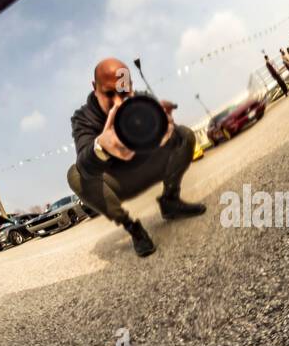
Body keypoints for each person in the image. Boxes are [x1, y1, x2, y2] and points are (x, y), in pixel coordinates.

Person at [66, 57, 206, 257]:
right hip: (120, 181)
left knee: (184, 134)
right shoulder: (83, 117)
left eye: (123, 92)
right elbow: (85, 164)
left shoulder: (141, 100)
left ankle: (170, 201)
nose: (117, 102)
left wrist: (166, 130)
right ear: (94, 88)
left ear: (130, 86)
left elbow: (170, 137)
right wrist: (100, 147)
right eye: (108, 94)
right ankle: (133, 228)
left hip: (149, 165)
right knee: (76, 175)